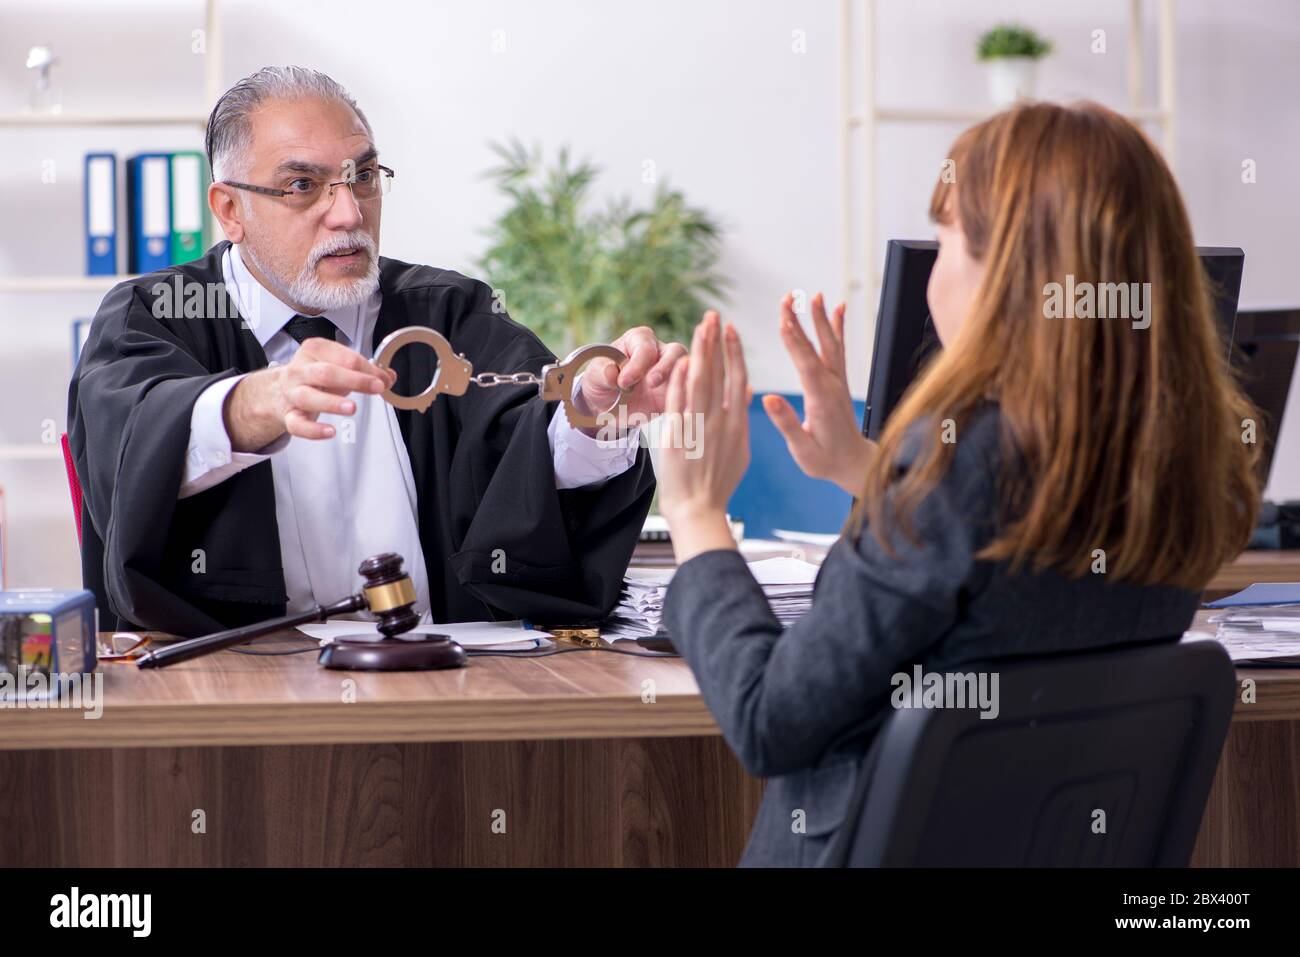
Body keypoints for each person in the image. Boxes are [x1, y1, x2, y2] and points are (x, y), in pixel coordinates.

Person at [654, 101, 1261, 866]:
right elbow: (1011, 577)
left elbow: (769, 719)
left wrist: (694, 509)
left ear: (1003, 272)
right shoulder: (1170, 471)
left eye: (943, 241)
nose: (933, 269)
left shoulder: (966, 461)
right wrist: (868, 467)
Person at [68, 66, 684, 636]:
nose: (348, 213)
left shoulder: (447, 310)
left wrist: (594, 409)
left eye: (362, 177)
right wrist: (255, 403)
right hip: (231, 694)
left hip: (440, 684)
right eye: (304, 186)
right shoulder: (158, 313)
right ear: (230, 209)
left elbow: (530, 452)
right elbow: (130, 443)